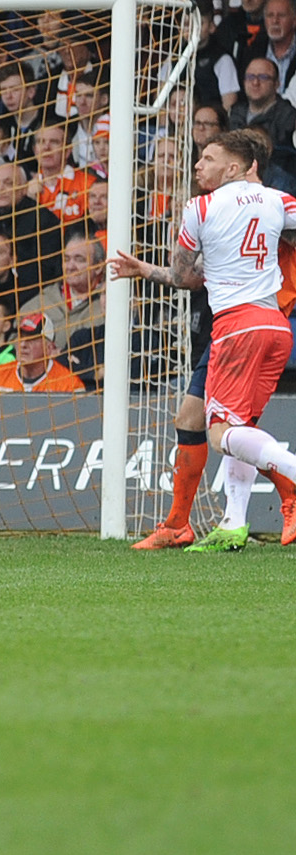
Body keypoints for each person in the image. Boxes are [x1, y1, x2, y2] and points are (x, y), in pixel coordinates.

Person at [110, 128, 296, 551]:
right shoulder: (277, 201)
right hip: (273, 325)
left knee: (222, 434)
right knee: (198, 420)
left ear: (237, 166)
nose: (198, 164)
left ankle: (289, 485)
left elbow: (183, 277)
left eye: (208, 158)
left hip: (235, 329)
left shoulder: (201, 207)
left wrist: (153, 271)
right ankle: (212, 524)